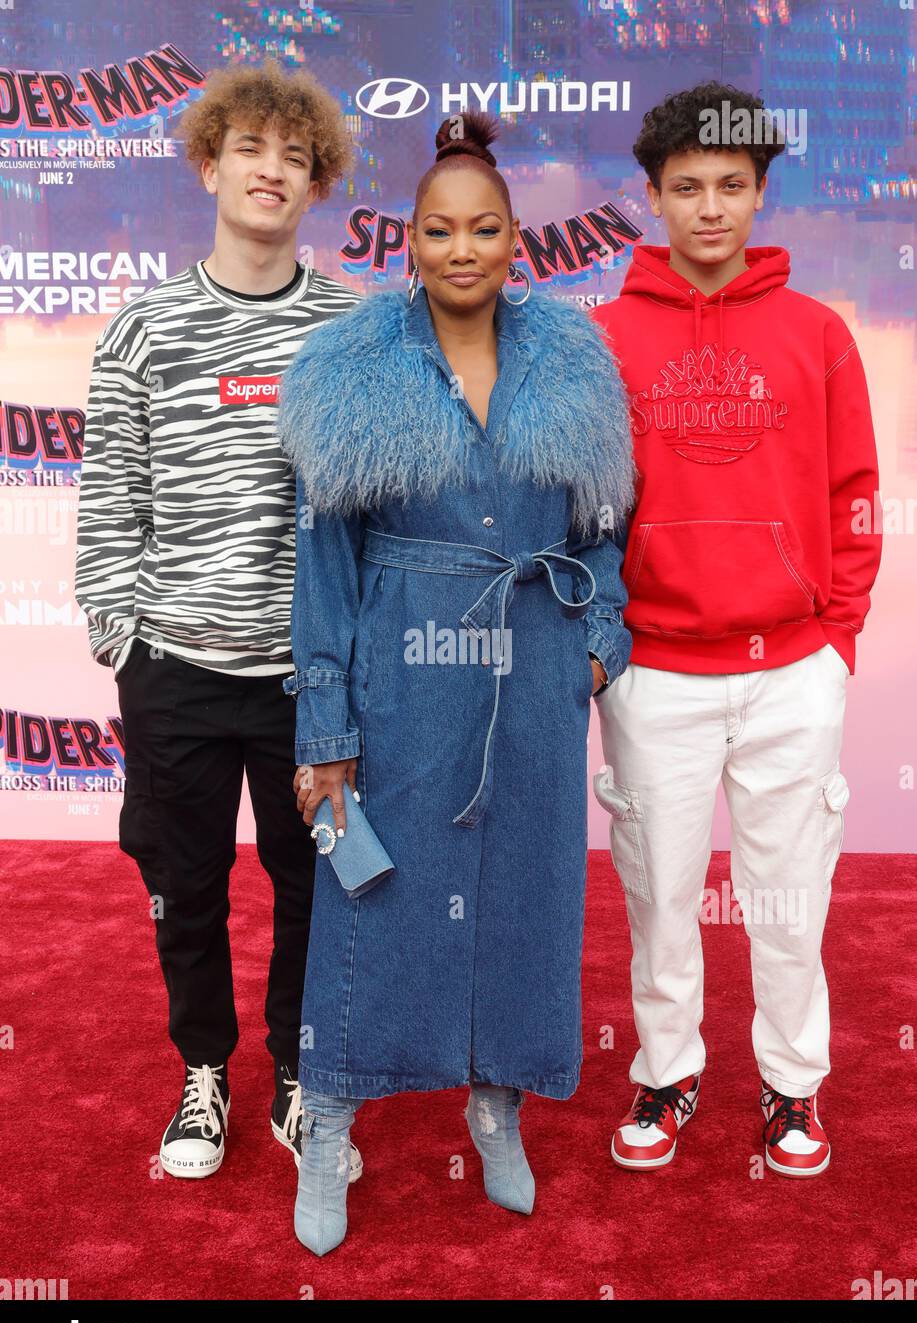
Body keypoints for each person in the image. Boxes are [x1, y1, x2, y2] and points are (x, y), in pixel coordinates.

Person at [276, 111, 635, 1254]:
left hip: (532, 679)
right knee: (368, 899)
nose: (462, 249)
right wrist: (324, 729)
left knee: (524, 900)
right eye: (440, 230)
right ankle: (328, 1122)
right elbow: (324, 566)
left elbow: (604, 527)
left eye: (484, 228)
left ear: (516, 240)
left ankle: (495, 1105)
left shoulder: (573, 361)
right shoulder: (350, 367)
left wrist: (596, 644)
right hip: (400, 685)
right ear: (409, 241)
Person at [74, 59, 364, 1182]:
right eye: (251, 149)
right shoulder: (144, 327)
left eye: (295, 157)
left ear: (316, 182)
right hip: (178, 670)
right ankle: (204, 1073)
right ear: (208, 163)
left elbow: (379, 503)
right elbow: (111, 499)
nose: (271, 171)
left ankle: (298, 1069)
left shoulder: (351, 328)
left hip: (313, 680)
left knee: (313, 889)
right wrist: (123, 639)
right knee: (184, 885)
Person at [590, 82, 882, 1176]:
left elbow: (854, 494)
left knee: (785, 895)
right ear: (653, 196)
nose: (708, 208)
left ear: (758, 193)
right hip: (653, 671)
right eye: (685, 188)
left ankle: (790, 1091)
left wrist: (836, 638)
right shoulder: (603, 338)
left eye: (728, 186)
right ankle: (665, 1074)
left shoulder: (816, 335)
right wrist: (604, 647)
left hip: (789, 669)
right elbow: (579, 506)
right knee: (658, 890)